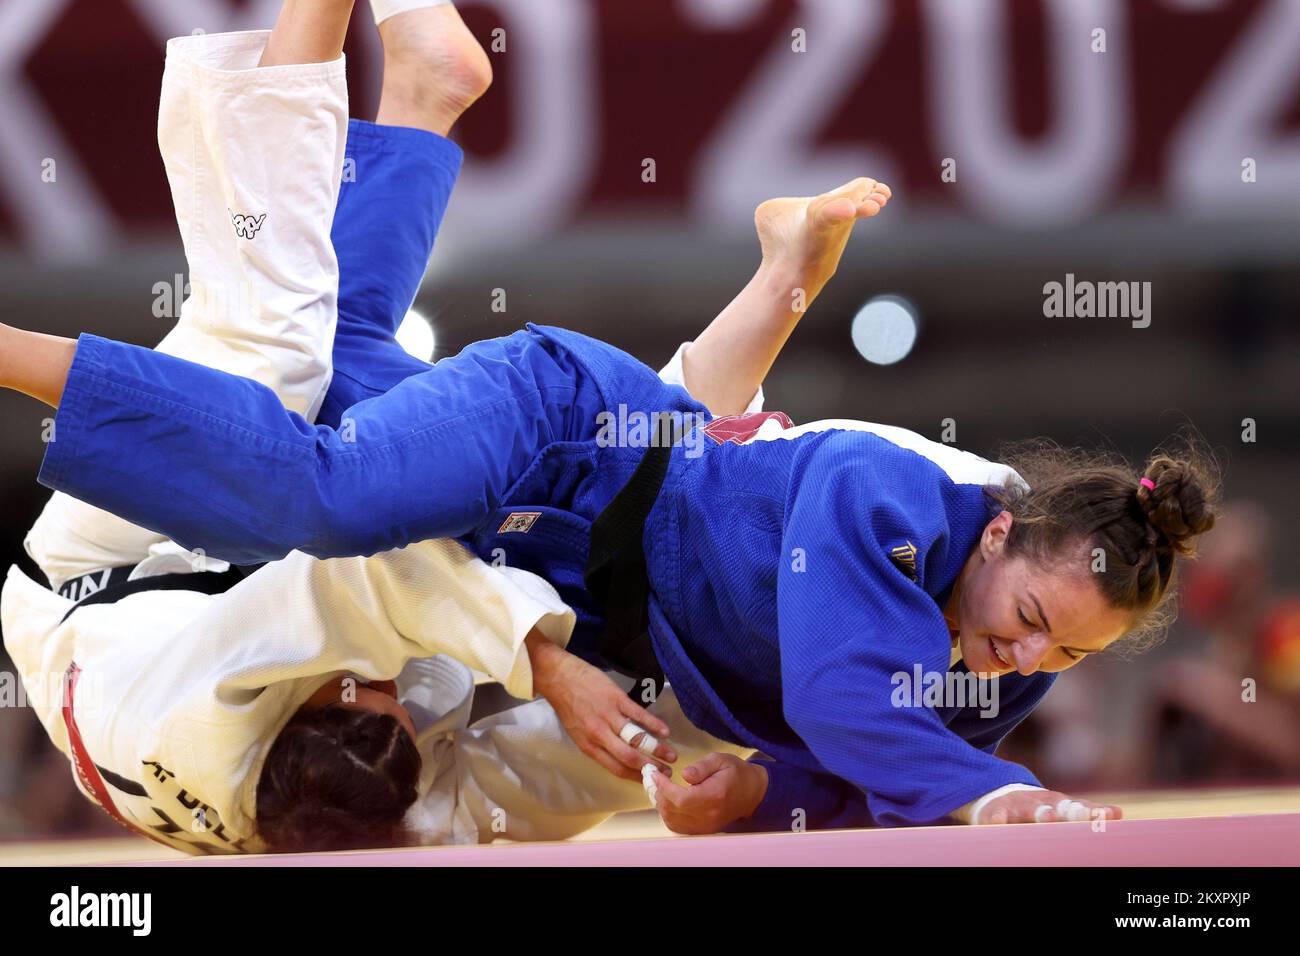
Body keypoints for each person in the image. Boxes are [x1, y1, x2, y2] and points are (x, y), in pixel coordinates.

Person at [0, 4, 1218, 835]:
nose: (1023, 665)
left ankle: (429, 96)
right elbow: (853, 706)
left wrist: (740, 797)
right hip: (563, 434)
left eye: (1063, 658)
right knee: (321, 482)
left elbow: (838, 773)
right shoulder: (894, 507)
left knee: (323, 360)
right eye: (1029, 628)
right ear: (1001, 537)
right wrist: (989, 797)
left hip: (587, 515)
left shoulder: (977, 670)